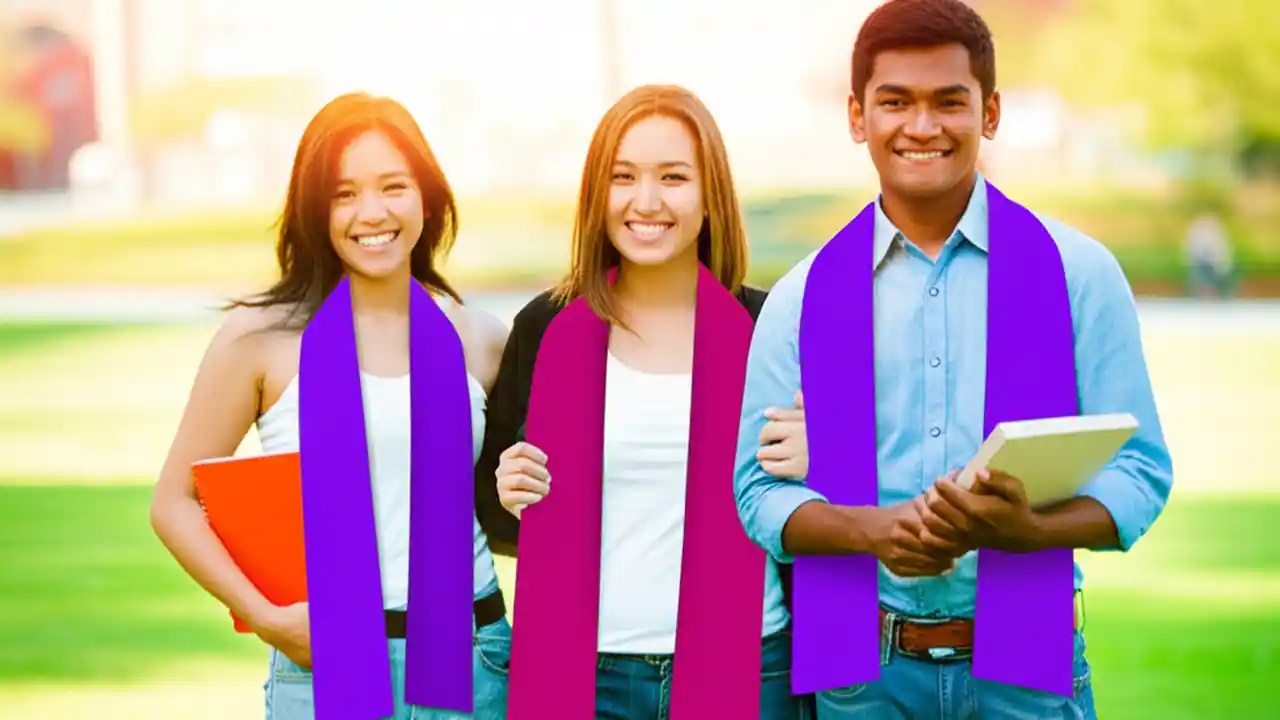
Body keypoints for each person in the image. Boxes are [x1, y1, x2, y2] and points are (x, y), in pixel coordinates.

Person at [734, 1, 1174, 718]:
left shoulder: (1077, 274)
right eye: (894, 102)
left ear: (989, 113)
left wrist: (1033, 533)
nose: (922, 125)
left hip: (1029, 673)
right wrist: (871, 531)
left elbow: (1141, 470)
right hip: (863, 675)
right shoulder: (803, 297)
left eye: (949, 101)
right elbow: (757, 492)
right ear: (857, 117)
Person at [149, 92, 513, 719]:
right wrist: (266, 617)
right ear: (316, 210)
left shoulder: (477, 337)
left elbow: (513, 503)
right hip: (321, 664)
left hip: (472, 659)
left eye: (393, 186)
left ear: (426, 197)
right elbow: (173, 503)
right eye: (344, 193)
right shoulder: (262, 340)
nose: (372, 212)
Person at [473, 84, 809, 719]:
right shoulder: (545, 328)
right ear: (596, 194)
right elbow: (495, 513)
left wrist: (817, 460)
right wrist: (510, 489)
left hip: (747, 663)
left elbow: (826, 508)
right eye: (623, 176)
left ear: (710, 195)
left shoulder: (771, 331)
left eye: (673, 177)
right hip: (585, 674)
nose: (646, 201)